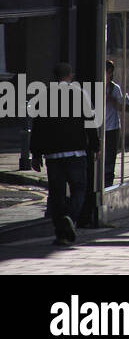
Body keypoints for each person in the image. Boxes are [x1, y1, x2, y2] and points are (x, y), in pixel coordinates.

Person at [30, 62, 97, 247]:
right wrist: (95, 145)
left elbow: (38, 126)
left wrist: (35, 154)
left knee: (57, 194)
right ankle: (70, 216)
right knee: (79, 189)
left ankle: (61, 234)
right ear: (70, 76)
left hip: (53, 155)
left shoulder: (44, 96)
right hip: (76, 152)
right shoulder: (80, 93)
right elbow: (90, 121)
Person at [103, 59, 129, 186]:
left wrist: (111, 99)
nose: (108, 75)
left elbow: (124, 108)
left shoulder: (115, 88)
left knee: (110, 158)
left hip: (112, 127)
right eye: (107, 72)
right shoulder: (96, 87)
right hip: (99, 127)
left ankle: (108, 183)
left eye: (110, 73)